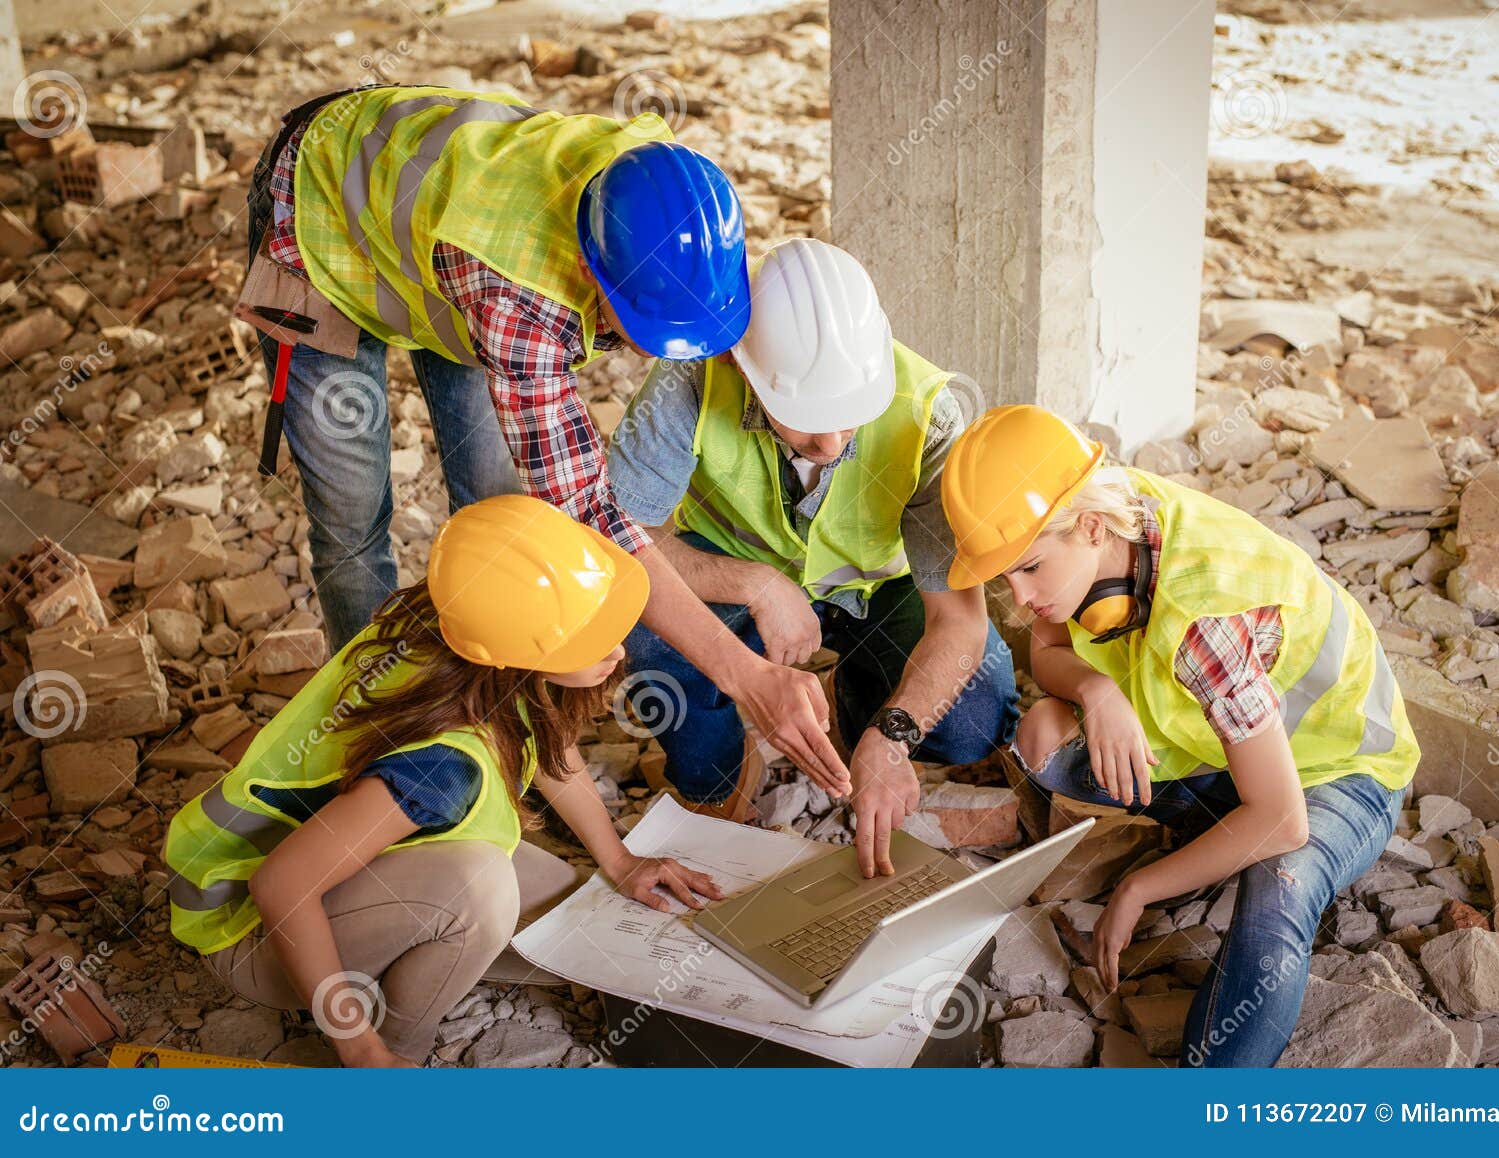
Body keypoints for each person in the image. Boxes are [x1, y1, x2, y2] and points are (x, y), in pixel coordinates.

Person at [246, 83, 849, 801]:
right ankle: (383, 749)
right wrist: (745, 673)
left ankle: (499, 720)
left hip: (440, 236)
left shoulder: (673, 198)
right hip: (322, 215)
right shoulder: (519, 305)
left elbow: (554, 518)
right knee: (351, 516)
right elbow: (592, 515)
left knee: (505, 512)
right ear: (596, 279)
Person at [163, 495, 722, 1066]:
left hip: (338, 863)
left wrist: (622, 863)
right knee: (482, 891)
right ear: (512, 650)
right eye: (585, 636)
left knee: (579, 929)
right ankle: (399, 1053)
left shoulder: (462, 627)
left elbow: (546, 747)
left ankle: (415, 965)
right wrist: (361, 1048)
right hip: (247, 935)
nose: (617, 649)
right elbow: (281, 887)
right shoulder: (441, 767)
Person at [940, 404, 1419, 1067]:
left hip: (1338, 772)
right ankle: (1215, 836)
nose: (1018, 601)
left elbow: (1282, 821)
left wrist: (1141, 888)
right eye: (1006, 577)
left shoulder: (1206, 624)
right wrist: (1097, 690)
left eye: (1029, 569)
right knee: (1045, 735)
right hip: (1226, 752)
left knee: (1278, 880)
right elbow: (1047, 654)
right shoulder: (1106, 519)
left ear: (1087, 526)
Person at [607, 239, 1018, 876]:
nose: (829, 441)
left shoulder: (931, 411)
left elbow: (959, 623)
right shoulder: (695, 371)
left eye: (849, 417)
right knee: (646, 630)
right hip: (738, 563)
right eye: (803, 419)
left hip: (881, 584)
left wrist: (895, 735)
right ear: (747, 371)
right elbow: (616, 536)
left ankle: (858, 715)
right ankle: (716, 776)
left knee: (971, 720)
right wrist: (754, 583)